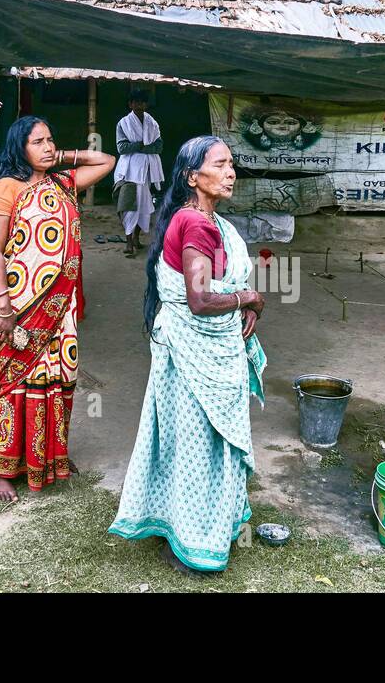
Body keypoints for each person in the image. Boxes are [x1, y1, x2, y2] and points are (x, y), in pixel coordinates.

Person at [109, 136, 267, 573]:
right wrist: (248, 296)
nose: (231, 172)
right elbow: (198, 300)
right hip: (192, 350)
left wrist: (240, 300)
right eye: (220, 164)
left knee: (186, 444)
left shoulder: (196, 220)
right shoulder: (197, 225)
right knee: (201, 445)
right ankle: (197, 540)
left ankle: (187, 528)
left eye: (232, 163)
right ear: (192, 177)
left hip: (181, 350)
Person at [0, 116, 115, 502]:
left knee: (57, 380)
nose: (46, 146)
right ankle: (2, 471)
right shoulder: (6, 188)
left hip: (61, 306)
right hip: (20, 305)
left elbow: (106, 161)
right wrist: (5, 308)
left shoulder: (62, 183)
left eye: (49, 139)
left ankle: (50, 456)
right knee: (17, 382)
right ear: (18, 148)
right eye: (37, 141)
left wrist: (63, 155)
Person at [113, 89, 164, 256]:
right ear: (130, 104)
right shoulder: (123, 123)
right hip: (128, 172)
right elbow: (122, 148)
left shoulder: (152, 123)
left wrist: (139, 146)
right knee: (128, 206)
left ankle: (136, 239)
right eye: (136, 102)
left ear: (146, 104)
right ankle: (128, 243)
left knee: (142, 207)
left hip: (146, 173)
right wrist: (143, 145)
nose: (139, 105)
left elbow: (159, 146)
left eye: (142, 102)